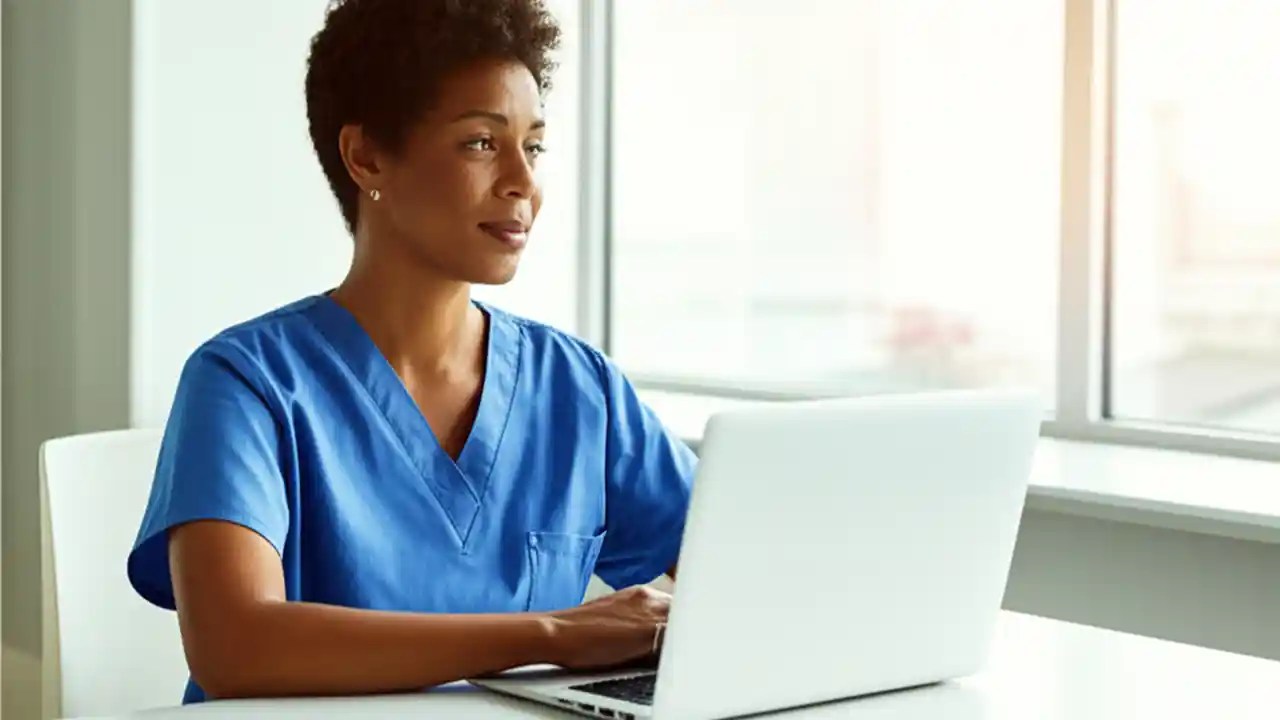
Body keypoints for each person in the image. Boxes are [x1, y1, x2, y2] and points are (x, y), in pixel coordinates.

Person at [126, 0, 695, 703]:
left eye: (534, 146)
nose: (523, 181)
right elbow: (235, 646)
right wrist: (548, 634)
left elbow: (747, 568)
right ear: (366, 156)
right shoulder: (246, 383)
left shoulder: (580, 389)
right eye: (481, 143)